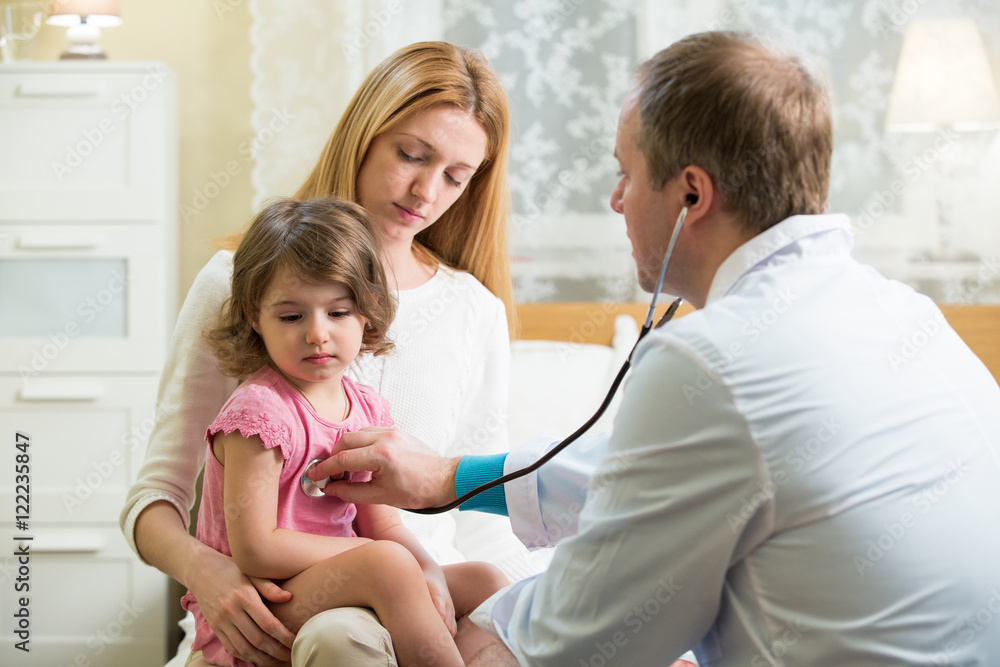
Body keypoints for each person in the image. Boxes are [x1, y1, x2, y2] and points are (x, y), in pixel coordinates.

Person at [310, 31, 1000, 666]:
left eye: (627, 174)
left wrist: (476, 620)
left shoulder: (710, 362)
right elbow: (643, 473)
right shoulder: (906, 315)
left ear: (691, 194)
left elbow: (577, 638)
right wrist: (453, 478)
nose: (616, 200)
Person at [121, 42, 526, 667]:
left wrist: (520, 606)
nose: (426, 191)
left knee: (505, 601)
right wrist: (206, 572)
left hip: (421, 595)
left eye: (455, 176)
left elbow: (482, 520)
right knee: (340, 638)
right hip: (279, 611)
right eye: (411, 155)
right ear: (364, 136)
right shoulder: (236, 282)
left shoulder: (475, 310)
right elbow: (157, 494)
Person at [183, 197, 506, 667]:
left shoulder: (366, 408)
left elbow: (383, 524)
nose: (317, 333)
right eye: (291, 316)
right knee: (386, 563)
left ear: (366, 312)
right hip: (263, 603)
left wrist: (426, 567)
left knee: (485, 581)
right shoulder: (259, 412)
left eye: (337, 313)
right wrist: (371, 556)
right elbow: (256, 549)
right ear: (255, 316)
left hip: (343, 584)